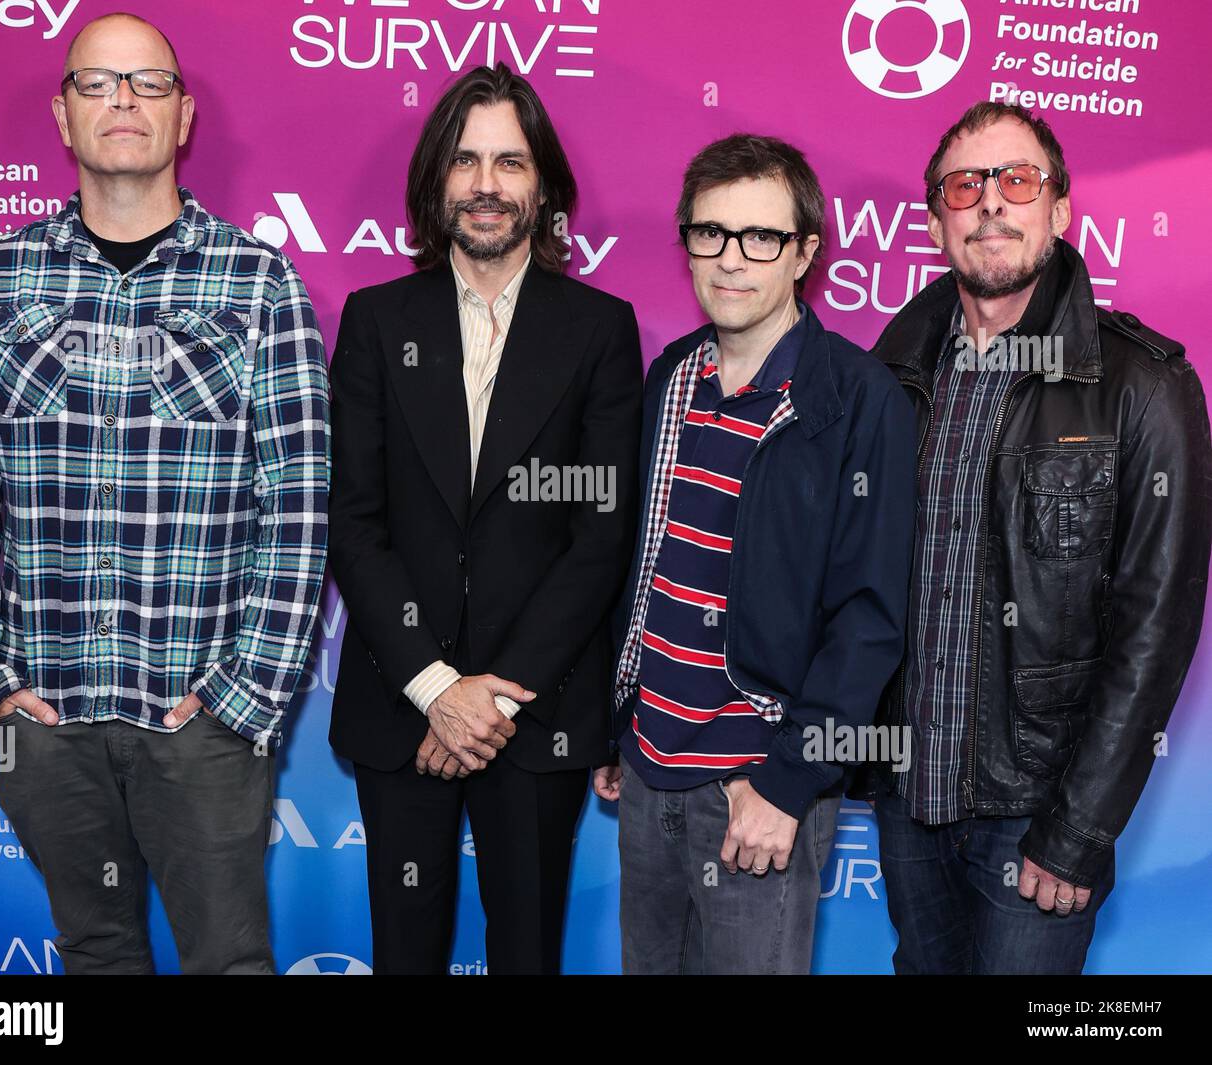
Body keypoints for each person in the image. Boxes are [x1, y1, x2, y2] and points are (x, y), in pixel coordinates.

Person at [0, 13, 330, 974]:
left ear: (183, 115)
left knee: (229, 959)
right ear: (64, 117)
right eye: (97, 83)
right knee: (96, 951)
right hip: (45, 717)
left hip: (203, 718)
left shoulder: (258, 281)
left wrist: (244, 693)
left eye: (148, 83)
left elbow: (299, 501)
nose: (124, 102)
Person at [852, 101, 1212, 974]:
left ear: (1059, 208)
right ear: (936, 217)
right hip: (908, 798)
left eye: (1018, 181)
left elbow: (1155, 630)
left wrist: (1079, 827)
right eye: (965, 185)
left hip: (1038, 814)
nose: (990, 205)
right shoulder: (888, 370)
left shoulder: (1142, 385)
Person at [327, 62, 642, 975]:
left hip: (532, 714)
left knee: (529, 955)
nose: (487, 185)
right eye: (466, 161)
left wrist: (493, 695)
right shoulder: (379, 321)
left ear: (542, 185)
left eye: (510, 162)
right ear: (436, 181)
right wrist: (436, 687)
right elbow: (355, 521)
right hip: (403, 705)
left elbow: (599, 533)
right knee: (405, 953)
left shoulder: (597, 328)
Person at [598, 134, 915, 974]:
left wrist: (785, 784)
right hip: (647, 769)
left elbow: (872, 620)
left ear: (805, 251)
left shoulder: (856, 400)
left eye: (762, 238)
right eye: (711, 233)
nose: (732, 260)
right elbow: (646, 565)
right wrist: (620, 719)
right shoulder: (670, 378)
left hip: (757, 787)